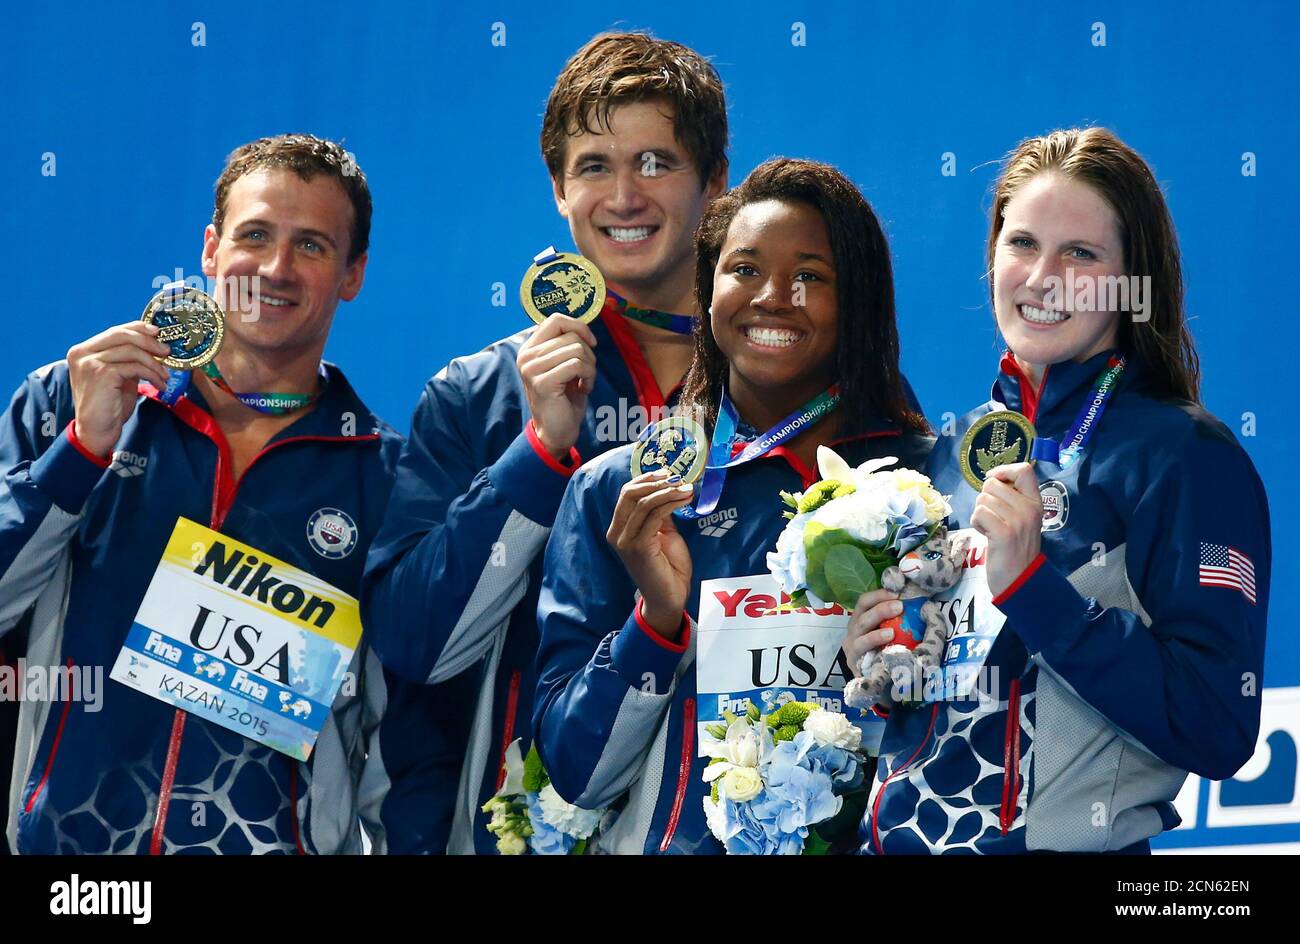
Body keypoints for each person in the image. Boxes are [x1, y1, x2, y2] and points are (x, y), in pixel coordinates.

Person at [846, 127, 1271, 854]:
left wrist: (1039, 591)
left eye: (1081, 253)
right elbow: (923, 723)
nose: (1042, 276)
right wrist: (881, 664)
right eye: (1022, 244)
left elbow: (1217, 726)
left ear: (1131, 282)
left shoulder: (1187, 457)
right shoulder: (953, 453)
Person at [360, 32, 730, 853]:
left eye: (655, 163)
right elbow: (417, 647)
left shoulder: (786, 395)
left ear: (715, 182)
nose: (624, 196)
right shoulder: (477, 395)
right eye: (595, 166)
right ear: (559, 192)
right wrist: (538, 453)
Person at [0, 134, 407, 853]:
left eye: (312, 246)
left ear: (354, 274)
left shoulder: (383, 475)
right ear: (212, 249)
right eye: (256, 235)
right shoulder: (69, 399)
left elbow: (398, 735)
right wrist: (81, 450)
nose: (275, 269)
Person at [533, 158, 933, 854]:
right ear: (709, 289)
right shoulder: (620, 493)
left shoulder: (922, 487)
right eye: (744, 269)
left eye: (811, 275)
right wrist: (656, 622)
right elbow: (577, 773)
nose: (774, 296)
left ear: (859, 300)